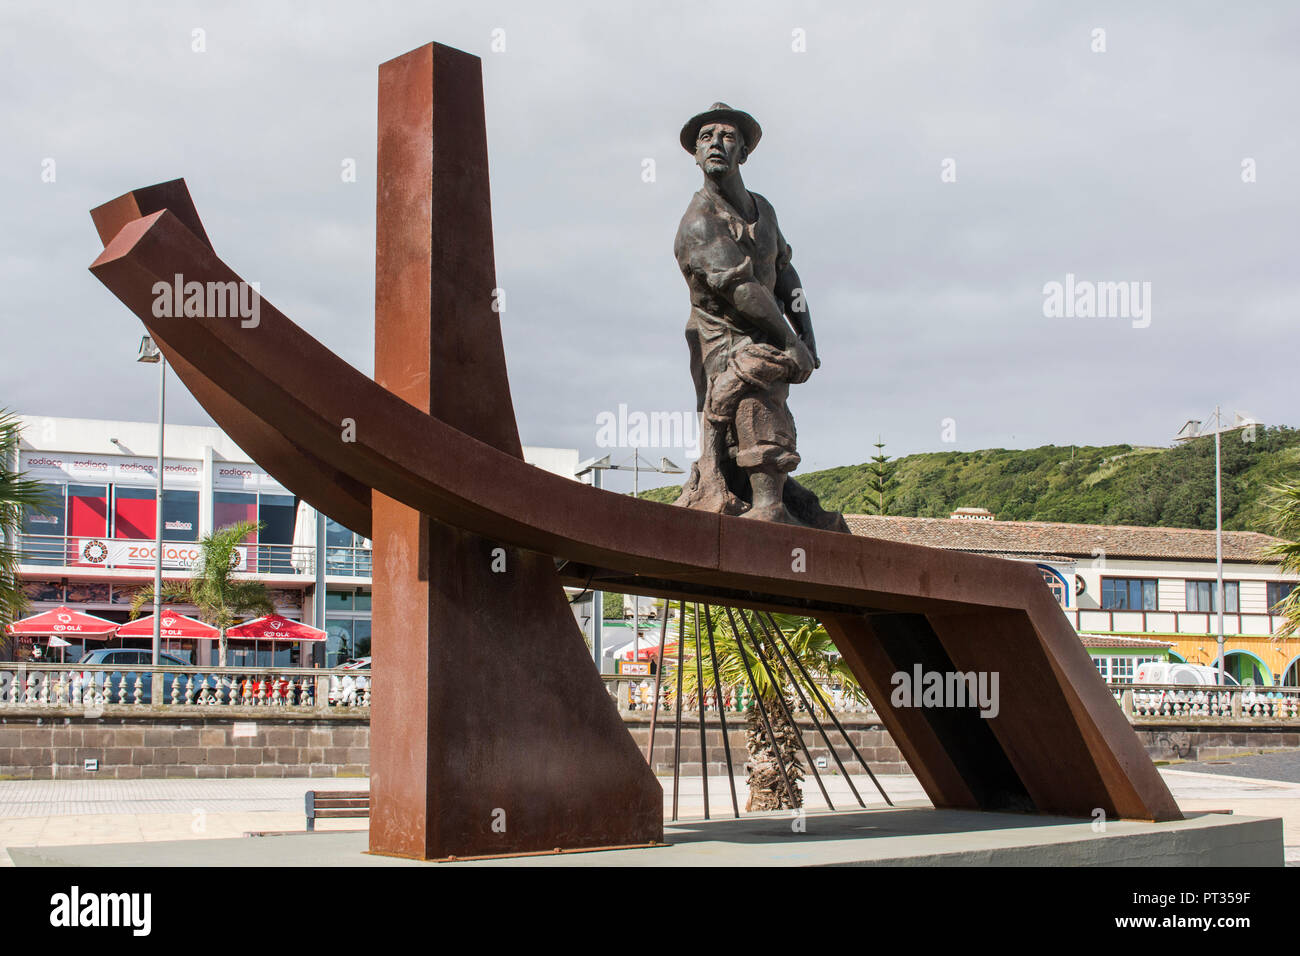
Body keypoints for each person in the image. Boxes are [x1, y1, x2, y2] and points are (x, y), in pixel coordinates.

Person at [672, 103, 846, 531]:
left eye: (727, 136)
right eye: (706, 137)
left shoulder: (762, 210)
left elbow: (784, 272)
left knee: (766, 389)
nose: (716, 144)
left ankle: (776, 497)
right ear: (695, 153)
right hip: (724, 337)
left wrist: (806, 335)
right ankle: (764, 503)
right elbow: (742, 289)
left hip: (772, 329)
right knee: (750, 385)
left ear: (744, 153)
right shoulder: (700, 221)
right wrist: (789, 342)